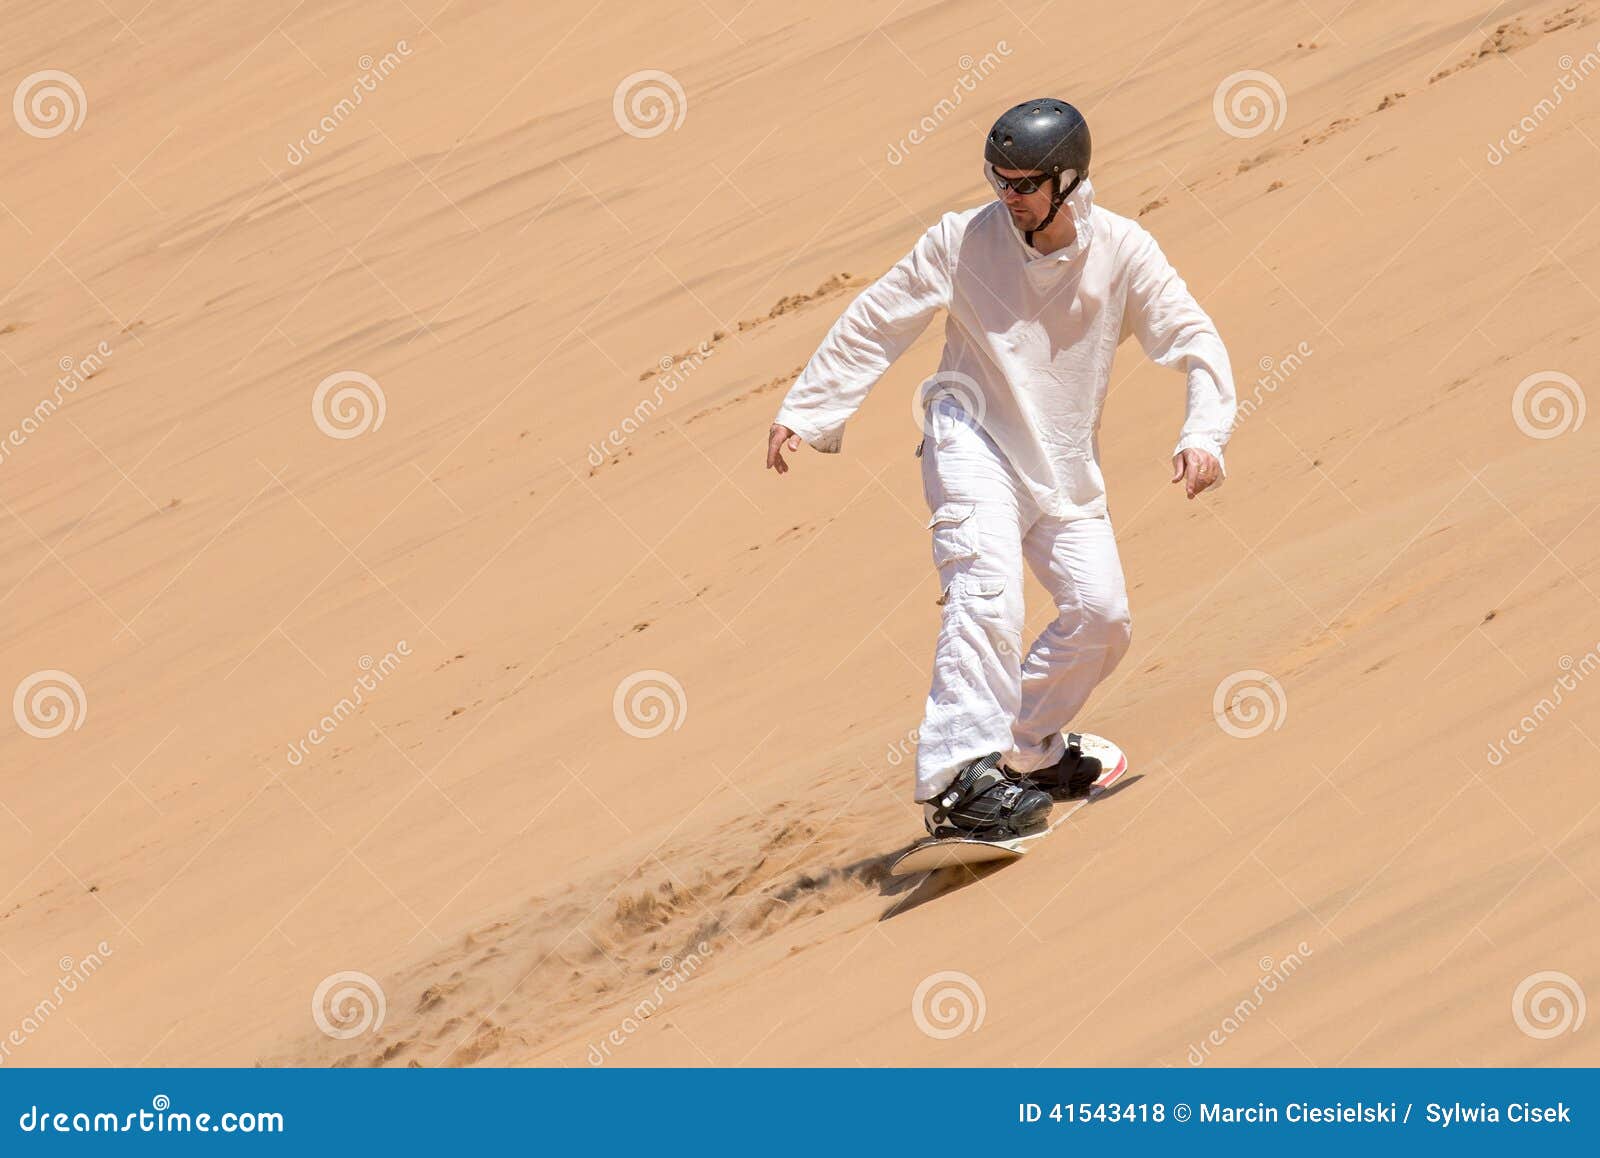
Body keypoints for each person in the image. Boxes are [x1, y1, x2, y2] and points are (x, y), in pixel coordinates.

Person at [765, 99, 1237, 840]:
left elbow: (1193, 336)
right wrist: (810, 409)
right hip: (970, 439)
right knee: (985, 592)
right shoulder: (960, 241)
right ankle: (959, 780)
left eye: (1023, 183)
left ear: (1069, 181)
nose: (1007, 195)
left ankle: (1027, 751)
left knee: (1101, 618)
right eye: (999, 179)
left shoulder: (1124, 251)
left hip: (1062, 464)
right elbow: (877, 318)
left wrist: (1205, 432)